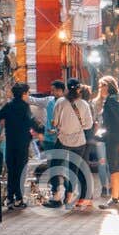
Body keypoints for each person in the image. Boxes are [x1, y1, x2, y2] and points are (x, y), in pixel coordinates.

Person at [0, 82, 39, 210]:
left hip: (10, 142)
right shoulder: (24, 107)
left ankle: (10, 199)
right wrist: (41, 130)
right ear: (23, 94)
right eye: (28, 93)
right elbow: (32, 122)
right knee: (21, 170)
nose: (28, 96)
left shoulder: (8, 106)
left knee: (12, 170)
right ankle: (19, 198)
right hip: (22, 143)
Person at [51, 78, 95, 209]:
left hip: (63, 140)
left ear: (66, 89)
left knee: (55, 166)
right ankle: (69, 197)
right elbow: (88, 125)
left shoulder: (60, 102)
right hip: (79, 142)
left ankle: (56, 195)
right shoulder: (84, 105)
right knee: (73, 169)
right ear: (79, 89)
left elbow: (55, 122)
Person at [96, 76, 119, 211]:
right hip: (116, 137)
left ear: (107, 86)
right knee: (117, 167)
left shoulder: (112, 101)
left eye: (101, 86)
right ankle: (117, 197)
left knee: (114, 167)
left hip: (113, 138)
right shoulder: (117, 98)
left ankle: (117, 198)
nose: (100, 89)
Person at [39, 79, 67, 207]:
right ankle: (55, 196)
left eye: (55, 90)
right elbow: (34, 100)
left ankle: (64, 196)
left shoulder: (66, 103)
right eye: (52, 90)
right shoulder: (49, 101)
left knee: (62, 169)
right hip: (49, 140)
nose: (53, 92)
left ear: (62, 90)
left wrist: (56, 131)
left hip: (62, 140)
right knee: (52, 169)